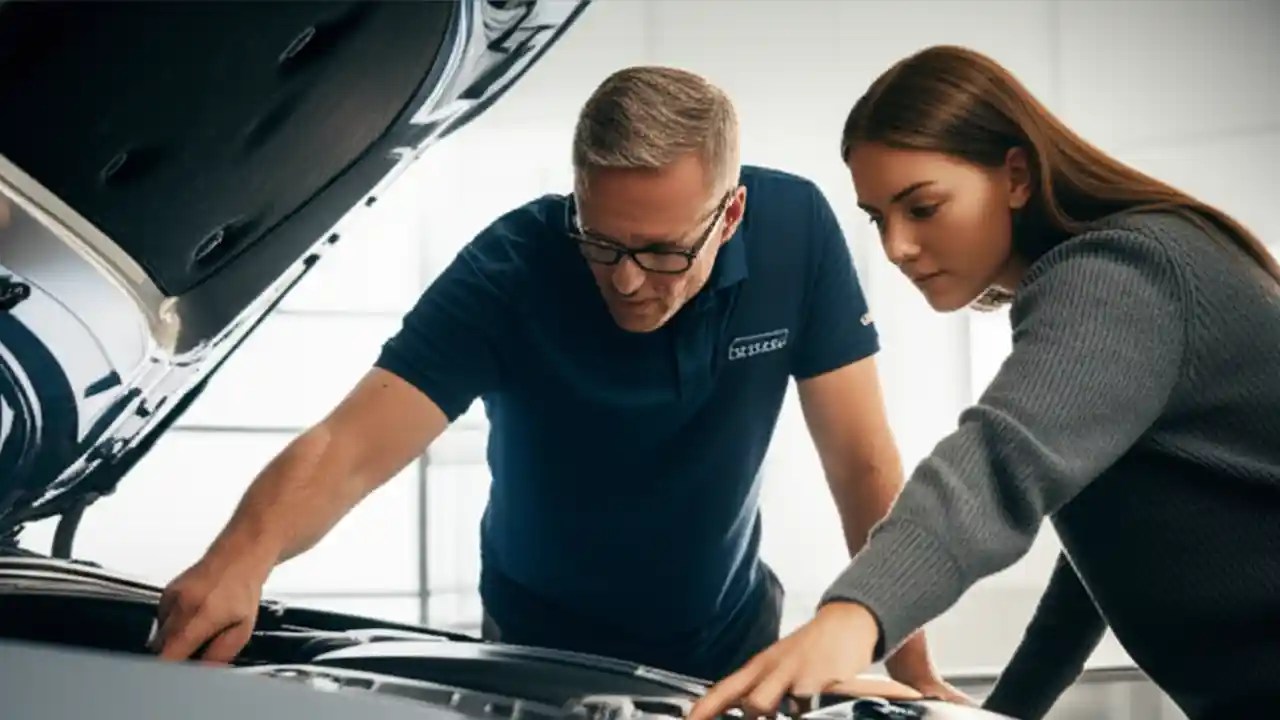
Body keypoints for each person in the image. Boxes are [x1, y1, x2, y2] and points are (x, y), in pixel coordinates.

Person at [149, 64, 965, 700]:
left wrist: (913, 663)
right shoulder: (509, 269)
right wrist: (238, 558)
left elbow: (861, 463)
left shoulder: (798, 233)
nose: (628, 281)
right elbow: (350, 446)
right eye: (601, 241)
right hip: (536, 640)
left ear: (732, 213)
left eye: (663, 252)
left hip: (728, 636)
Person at [687, 44, 1280, 720]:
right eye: (879, 217)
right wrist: (1010, 710)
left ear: (1017, 176)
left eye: (924, 207)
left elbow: (1000, 463)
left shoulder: (1123, 273)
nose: (896, 248)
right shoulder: (1120, 287)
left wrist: (850, 619)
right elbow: (1108, 544)